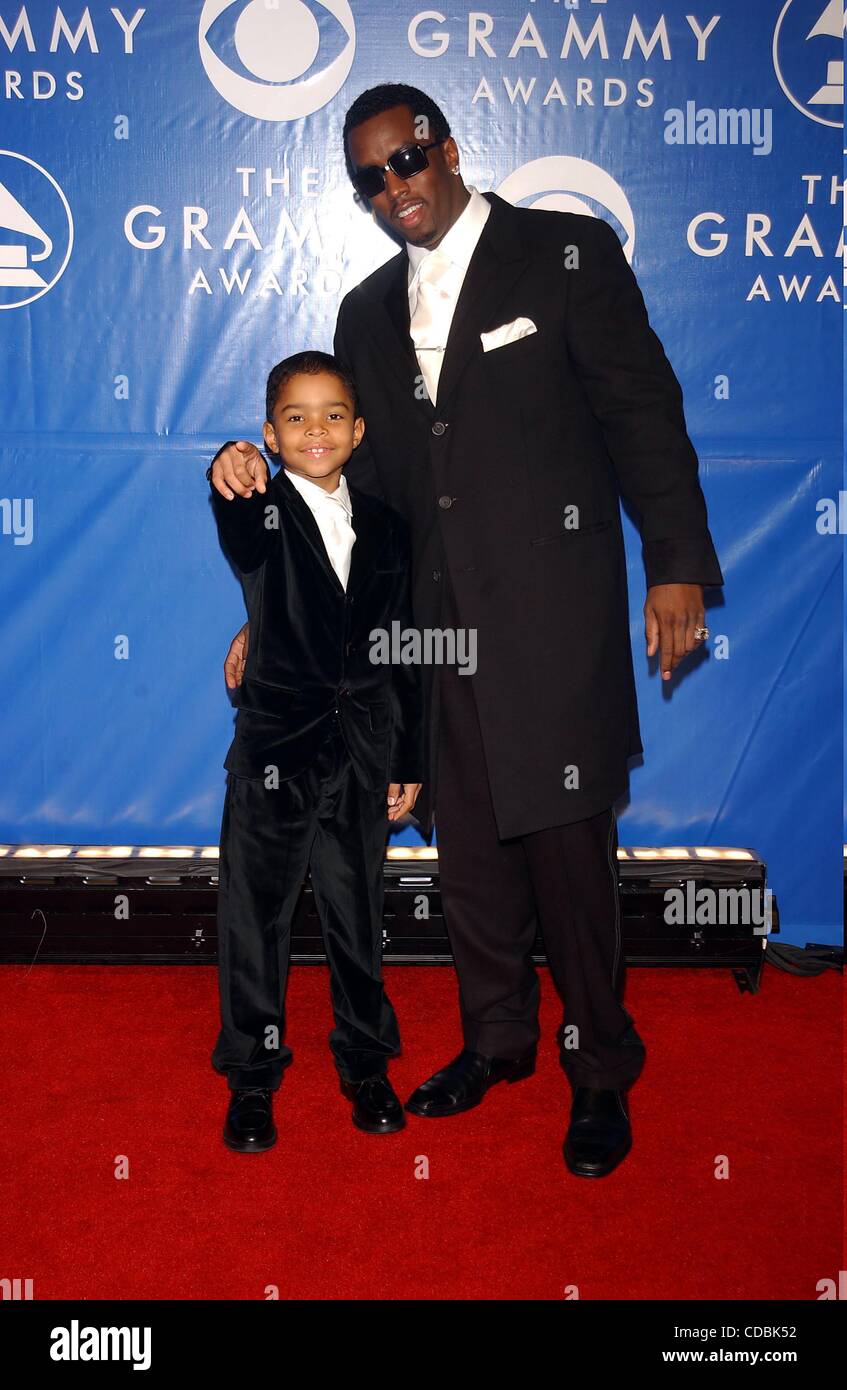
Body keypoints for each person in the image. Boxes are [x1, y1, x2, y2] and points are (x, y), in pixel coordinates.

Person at [210, 84, 724, 1177]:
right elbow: (364, 501)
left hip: (551, 614)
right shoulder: (359, 312)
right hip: (428, 634)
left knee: (568, 852)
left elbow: (642, 409)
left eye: (404, 160)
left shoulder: (565, 253)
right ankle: (498, 1042)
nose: (391, 187)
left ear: (447, 147)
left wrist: (677, 564)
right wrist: (277, 618)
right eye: (368, 178)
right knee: (471, 853)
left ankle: (599, 1067)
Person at [208, 349, 423, 1152]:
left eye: (333, 413)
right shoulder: (260, 508)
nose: (315, 429)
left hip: (363, 754)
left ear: (358, 429)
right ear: (270, 433)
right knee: (254, 917)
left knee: (355, 914)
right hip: (273, 749)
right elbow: (233, 505)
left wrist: (408, 758)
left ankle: (366, 1063)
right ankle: (253, 1079)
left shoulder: (390, 529)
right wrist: (225, 463)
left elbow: (402, 648)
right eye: (294, 418)